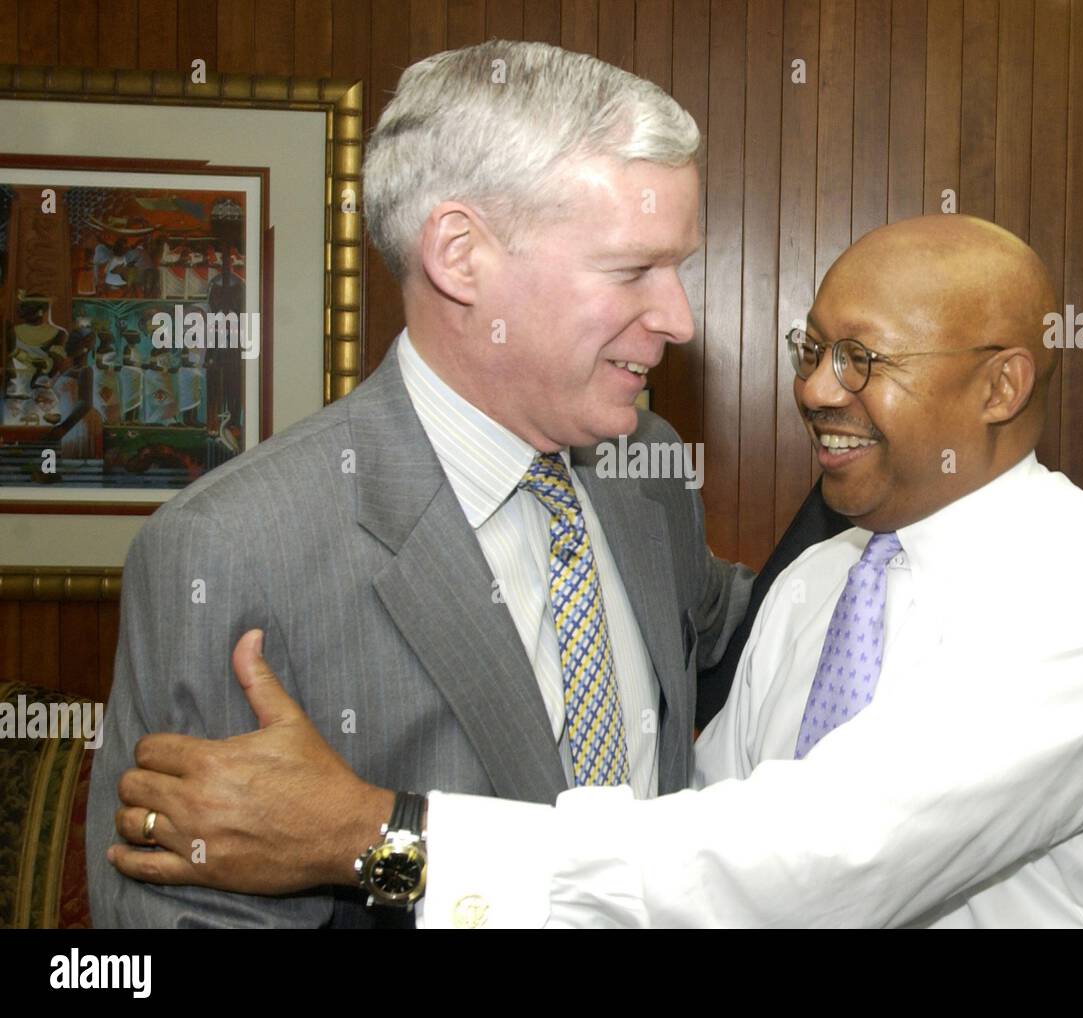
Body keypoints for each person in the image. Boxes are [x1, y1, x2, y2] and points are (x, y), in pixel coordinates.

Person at [107, 213, 1083, 928]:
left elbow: (807, 868)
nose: (817, 390)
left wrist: (377, 837)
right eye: (810, 351)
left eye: (862, 359)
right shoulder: (819, 587)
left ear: (1003, 385)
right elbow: (688, 828)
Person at [87, 39, 754, 928]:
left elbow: (753, 635)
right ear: (460, 255)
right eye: (634, 270)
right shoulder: (233, 551)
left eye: (681, 269)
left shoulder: (650, 472)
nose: (677, 318)